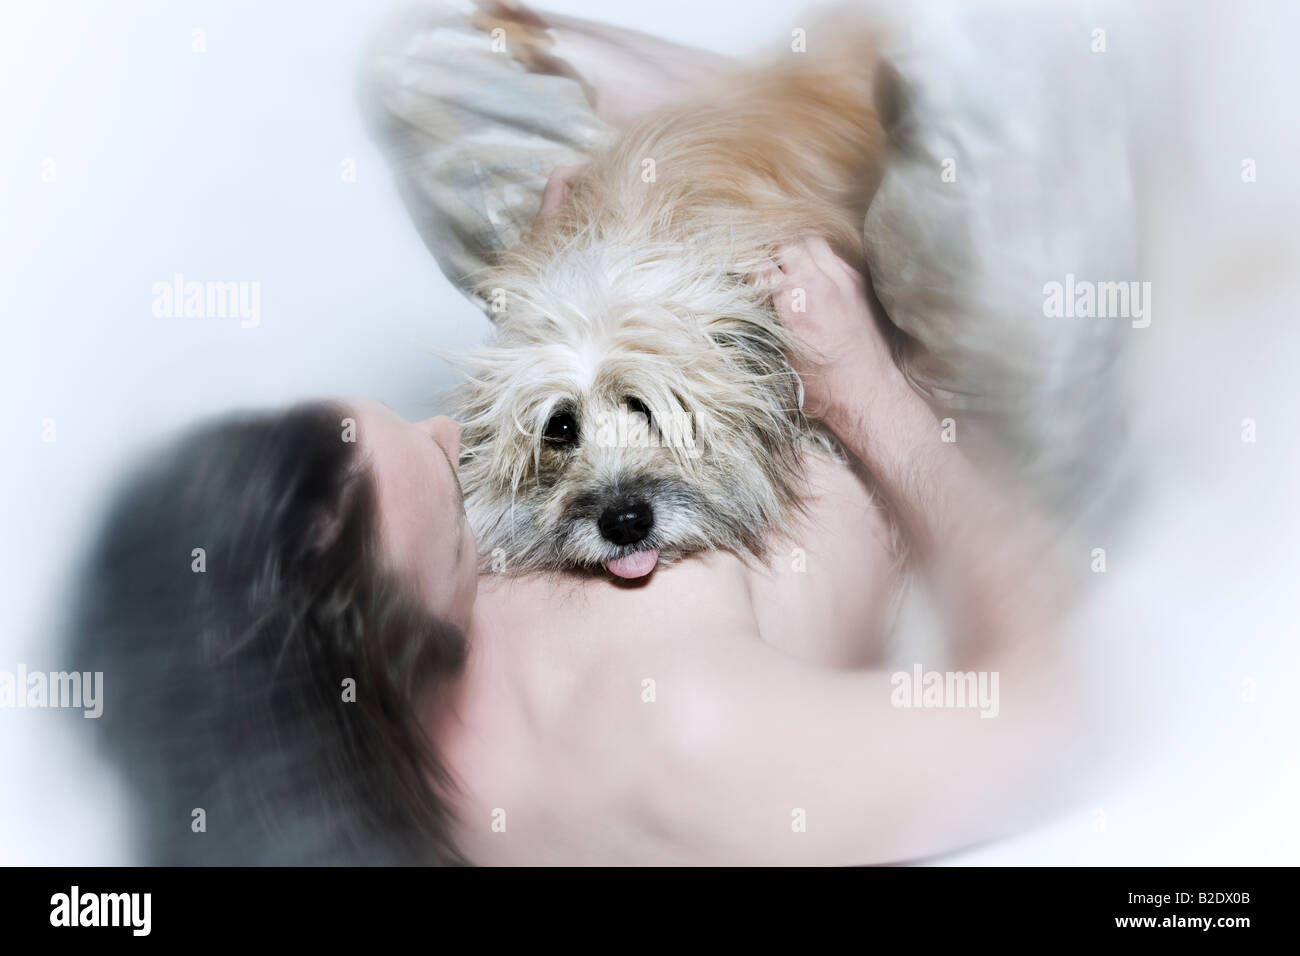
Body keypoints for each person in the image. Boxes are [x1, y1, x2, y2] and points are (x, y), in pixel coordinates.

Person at [70, 236, 1090, 866]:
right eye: (442, 480)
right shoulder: (677, 741)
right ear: (377, 633)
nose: (454, 434)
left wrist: (581, 274)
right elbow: (1049, 716)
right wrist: (865, 386)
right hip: (983, 414)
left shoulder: (386, 689)